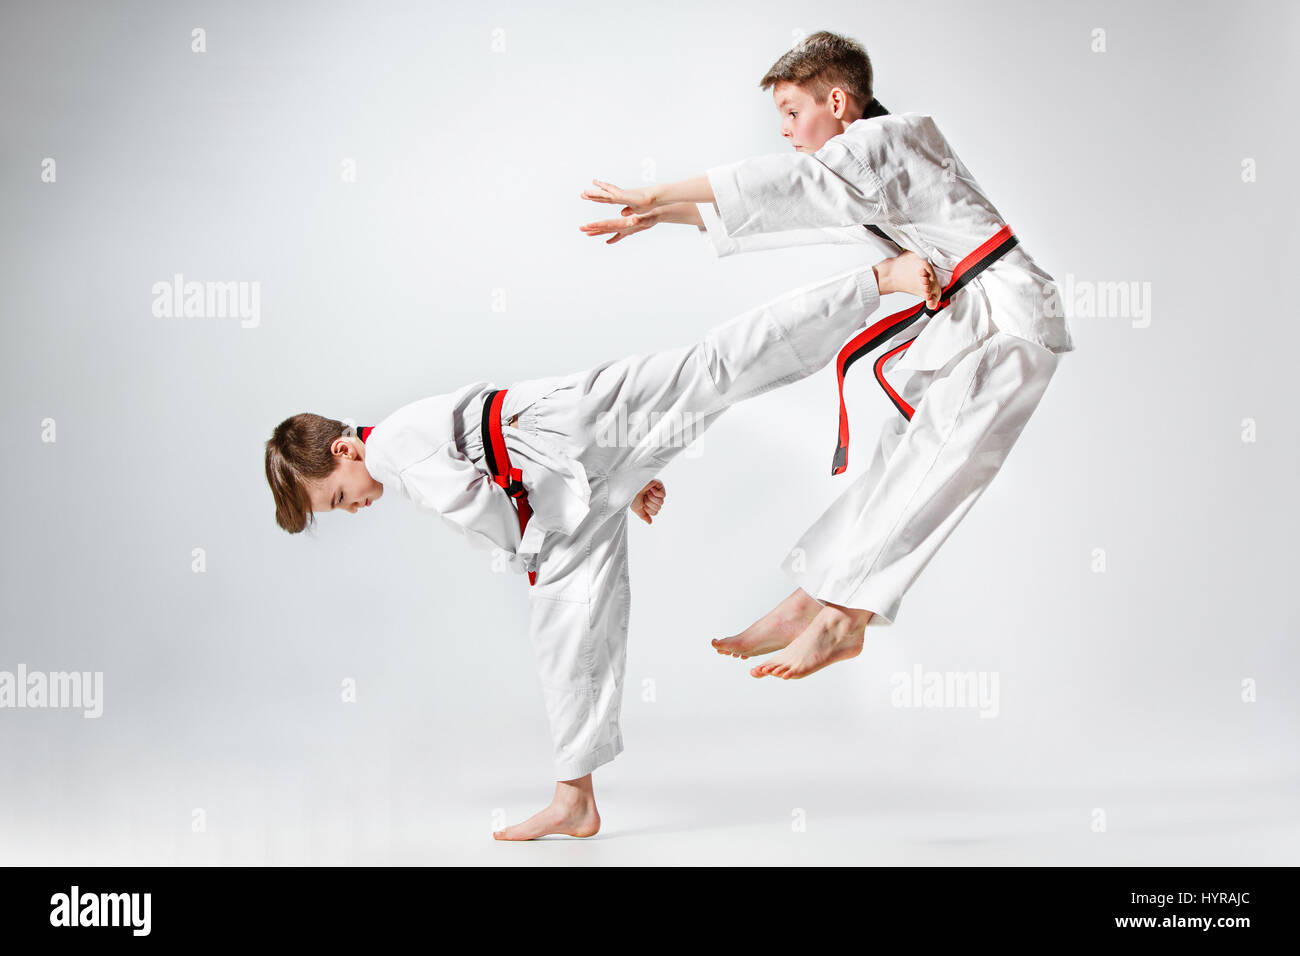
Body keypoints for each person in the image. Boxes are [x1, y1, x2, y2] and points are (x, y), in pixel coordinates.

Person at [264, 250, 940, 839]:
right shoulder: (397, 447)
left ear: (344, 448)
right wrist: (619, 477)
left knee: (717, 365)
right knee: (565, 635)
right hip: (568, 470)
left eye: (335, 496)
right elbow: (490, 488)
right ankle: (573, 799)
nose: (350, 507)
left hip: (565, 436)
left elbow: (474, 505)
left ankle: (881, 278)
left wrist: (553, 523)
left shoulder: (389, 453)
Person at [579, 29, 1076, 681]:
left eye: (792, 111)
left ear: (838, 101)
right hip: (972, 319)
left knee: (935, 461)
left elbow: (784, 186)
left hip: (1008, 318)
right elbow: (790, 210)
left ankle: (846, 619)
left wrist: (656, 191)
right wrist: (663, 215)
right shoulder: (875, 159)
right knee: (899, 457)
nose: (785, 129)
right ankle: (813, 599)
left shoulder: (887, 142)